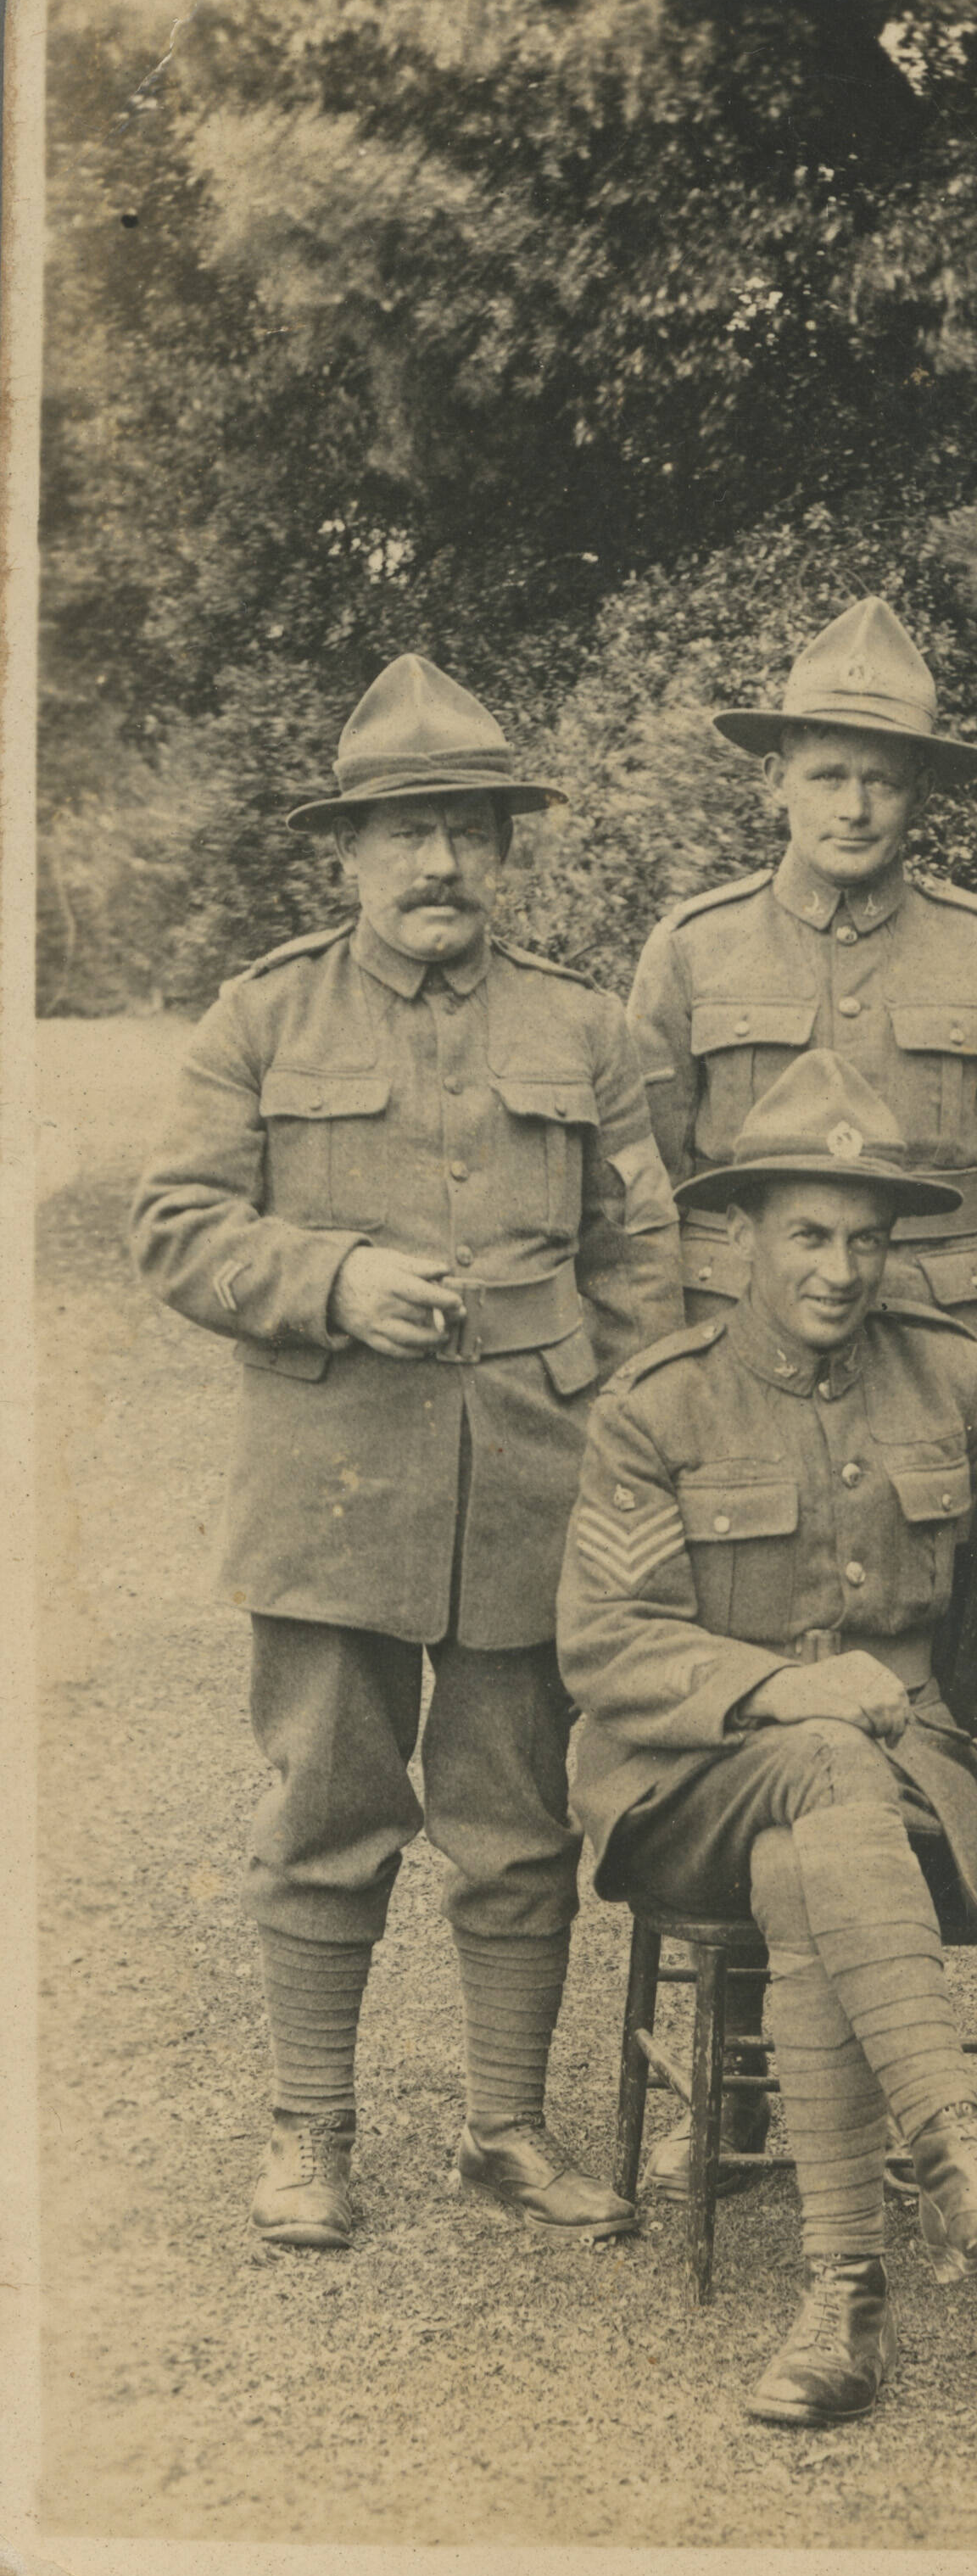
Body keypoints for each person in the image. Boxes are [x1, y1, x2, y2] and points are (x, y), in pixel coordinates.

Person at [131, 655, 684, 2252]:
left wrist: (626, 1451)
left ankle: (506, 2131)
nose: (438, 863)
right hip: (333, 1481)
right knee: (326, 1807)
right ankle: (310, 2131)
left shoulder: (585, 1025)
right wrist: (332, 1279)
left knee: (519, 1820)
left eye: (467, 832)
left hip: (532, 1480)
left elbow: (642, 1257)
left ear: (506, 851)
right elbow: (175, 1226)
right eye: (404, 833)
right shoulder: (262, 1011)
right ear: (350, 854)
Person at [558, 1052, 977, 2423]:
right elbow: (607, 1646)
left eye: (866, 1239)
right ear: (741, 1234)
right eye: (809, 1235)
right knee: (818, 1769)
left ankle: (844, 2295)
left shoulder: (947, 1375)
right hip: (683, 1789)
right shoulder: (658, 1402)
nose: (840, 1270)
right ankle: (954, 2151)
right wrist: (779, 1690)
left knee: (812, 1854)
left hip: (897, 1793)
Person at [627, 595, 977, 2189]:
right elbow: (639, 1196)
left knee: (916, 1724)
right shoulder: (693, 951)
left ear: (922, 794)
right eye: (828, 772)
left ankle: (890, 2092)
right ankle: (744, 2097)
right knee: (748, 1721)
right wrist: (657, 1398)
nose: (856, 804)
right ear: (779, 779)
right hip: (735, 1418)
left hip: (933, 1433)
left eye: (886, 777)